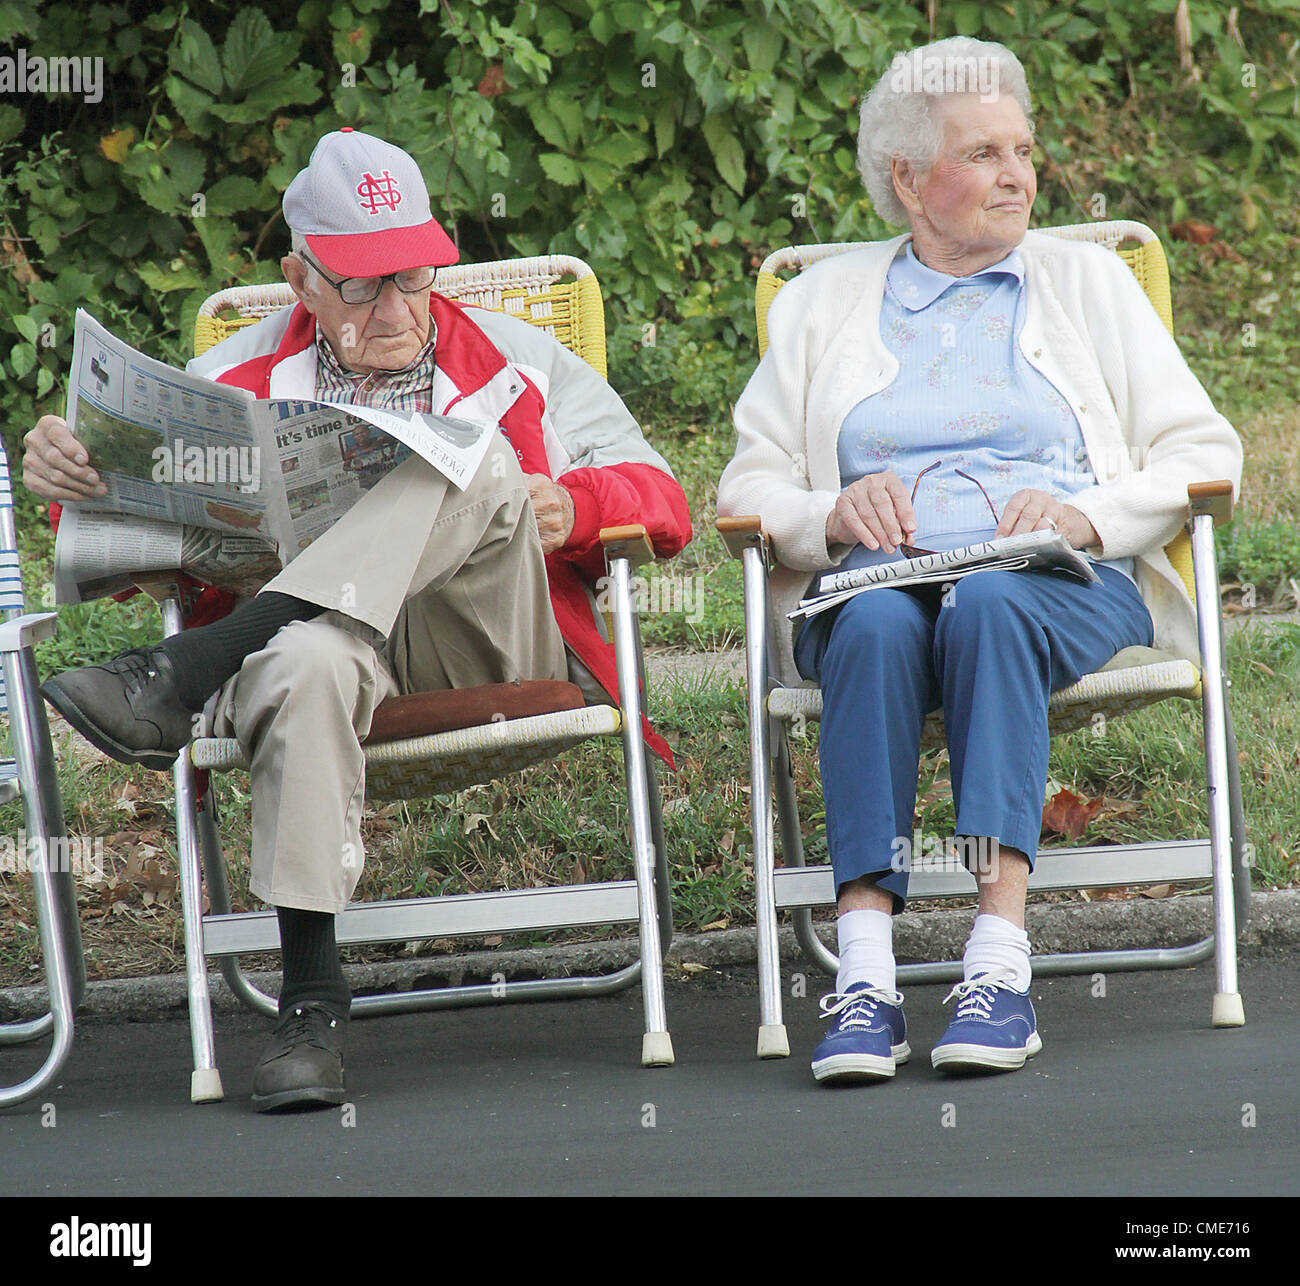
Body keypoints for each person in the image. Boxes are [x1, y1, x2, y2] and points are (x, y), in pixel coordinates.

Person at [24, 129, 691, 1111]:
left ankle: (187, 666)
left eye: (414, 277)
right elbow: (130, 515)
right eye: (362, 284)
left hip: (482, 639)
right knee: (303, 655)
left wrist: (577, 502)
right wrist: (68, 478)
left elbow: (662, 491)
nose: (396, 309)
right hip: (337, 661)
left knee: (480, 460)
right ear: (300, 277)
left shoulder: (515, 355)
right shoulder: (237, 379)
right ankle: (310, 1000)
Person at [716, 37, 1241, 1084]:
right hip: (879, 581)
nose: (1018, 175)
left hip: (1055, 579)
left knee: (988, 606)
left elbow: (1205, 451)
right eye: (985, 153)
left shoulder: (1084, 283)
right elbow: (746, 486)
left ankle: (997, 961)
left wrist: (1087, 514)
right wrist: (830, 508)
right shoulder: (823, 302)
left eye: (1023, 149)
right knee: (863, 624)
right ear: (907, 179)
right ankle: (862, 974)